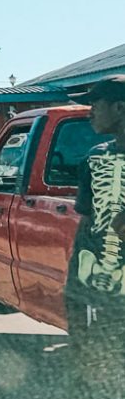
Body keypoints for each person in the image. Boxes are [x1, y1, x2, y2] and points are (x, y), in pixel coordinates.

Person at [65, 76, 125, 368]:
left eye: (95, 105)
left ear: (119, 108)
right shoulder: (94, 158)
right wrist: (77, 276)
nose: (89, 112)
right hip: (109, 278)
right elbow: (87, 220)